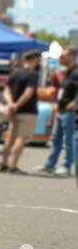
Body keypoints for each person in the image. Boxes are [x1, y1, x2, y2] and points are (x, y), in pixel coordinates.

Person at [2, 49, 42, 173]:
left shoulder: (16, 73)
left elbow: (6, 90)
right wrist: (17, 105)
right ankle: (13, 166)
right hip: (28, 110)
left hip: (14, 111)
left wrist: (11, 104)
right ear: (35, 60)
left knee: (10, 137)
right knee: (21, 137)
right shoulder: (33, 74)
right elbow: (29, 92)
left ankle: (4, 163)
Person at [42, 48, 75, 176]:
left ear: (72, 57)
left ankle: (66, 166)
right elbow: (59, 88)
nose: (60, 59)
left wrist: (74, 103)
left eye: (63, 56)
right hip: (61, 109)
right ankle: (50, 165)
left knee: (69, 140)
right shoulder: (65, 72)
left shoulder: (76, 72)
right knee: (56, 139)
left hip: (70, 111)